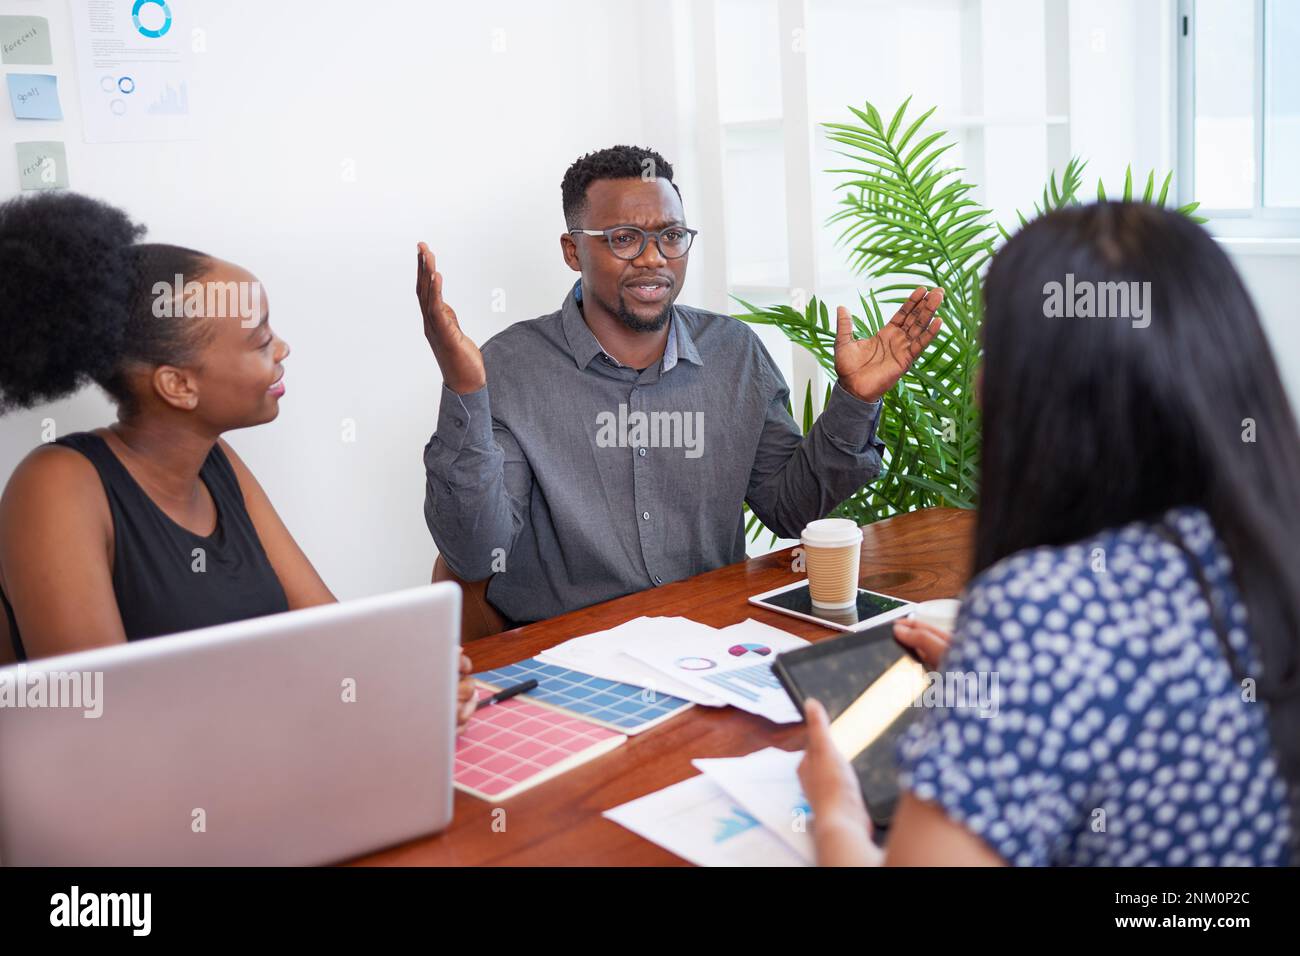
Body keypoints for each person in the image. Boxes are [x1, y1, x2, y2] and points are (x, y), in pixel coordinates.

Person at [798, 201, 1299, 866]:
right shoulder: (1267, 553)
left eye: (994, 351)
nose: (979, 385)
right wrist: (1023, 687)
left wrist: (835, 809)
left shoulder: (1045, 610)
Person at [0, 192, 477, 727]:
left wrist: (408, 674)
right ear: (177, 385)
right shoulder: (57, 486)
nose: (283, 351)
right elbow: (98, 721)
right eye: (260, 341)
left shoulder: (217, 463)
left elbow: (330, 636)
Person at [419, 145, 943, 624]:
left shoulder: (734, 354)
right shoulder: (512, 367)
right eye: (624, 239)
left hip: (712, 641)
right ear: (573, 252)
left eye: (671, 236)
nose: (654, 259)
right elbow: (473, 550)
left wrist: (856, 400)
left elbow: (790, 509)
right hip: (566, 654)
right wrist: (464, 387)